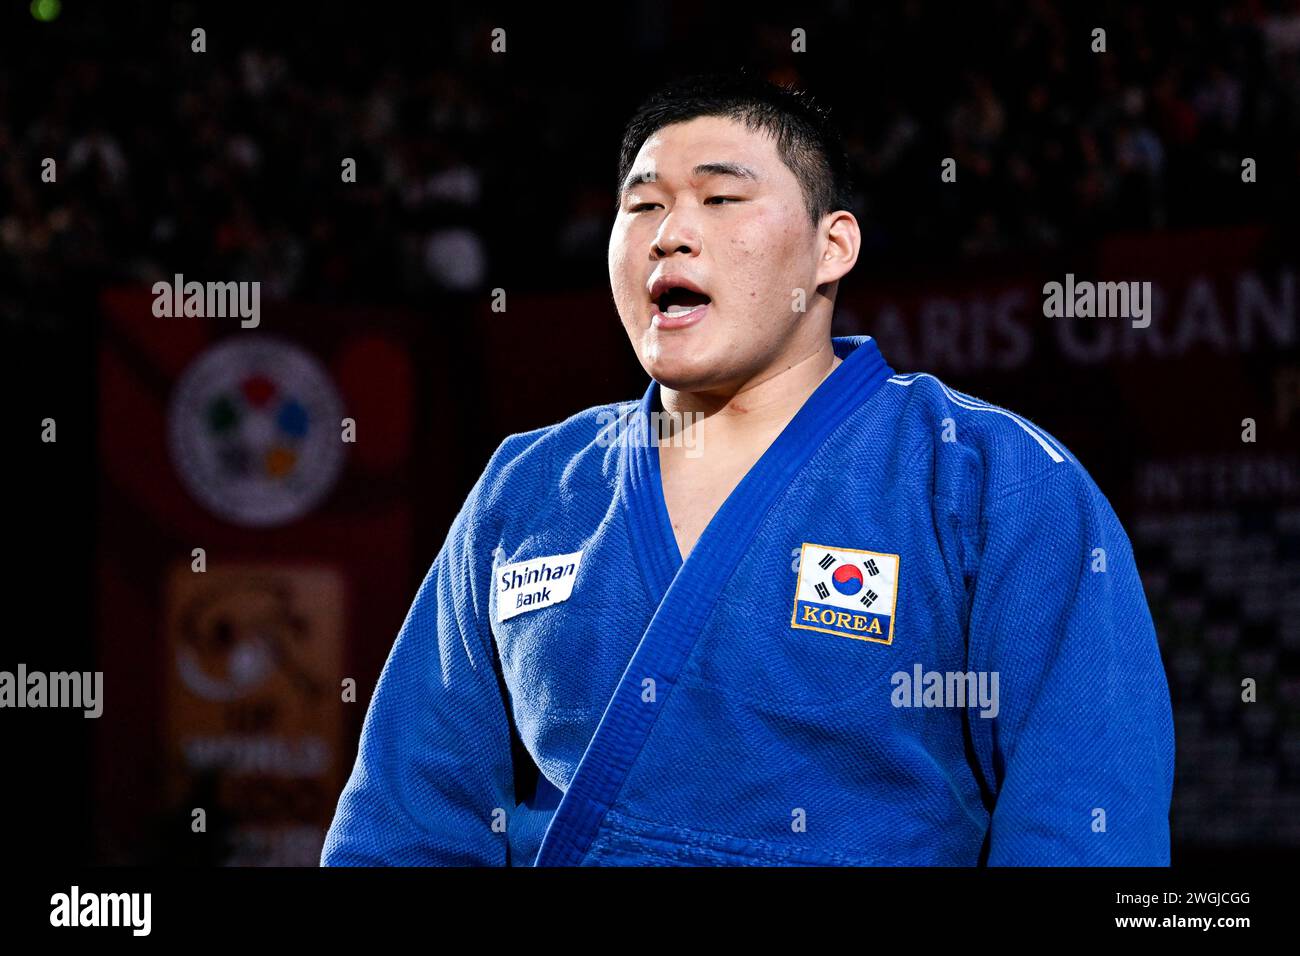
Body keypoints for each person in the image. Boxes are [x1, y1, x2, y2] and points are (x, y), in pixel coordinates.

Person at [321, 70, 1174, 866]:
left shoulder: (992, 478)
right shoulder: (529, 489)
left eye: (722, 197)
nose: (671, 234)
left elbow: (1086, 824)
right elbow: (402, 824)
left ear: (831, 247)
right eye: (642, 205)